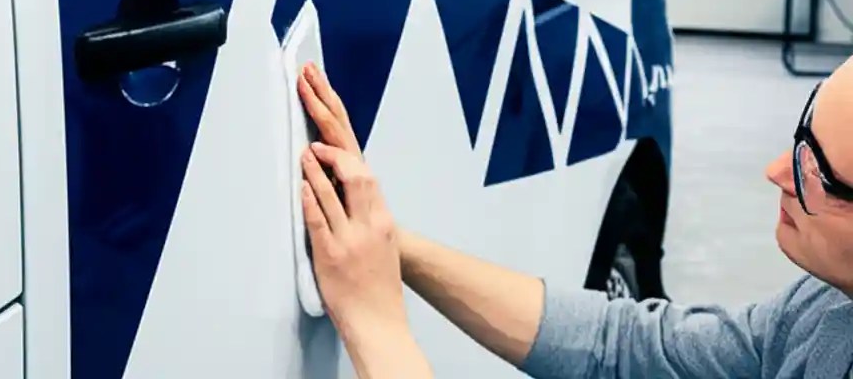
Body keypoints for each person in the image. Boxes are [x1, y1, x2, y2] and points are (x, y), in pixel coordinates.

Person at [295, 60, 853, 378]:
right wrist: (394, 250)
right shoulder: (828, 308)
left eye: (813, 167)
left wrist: (374, 324)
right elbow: (626, 346)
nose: (776, 170)